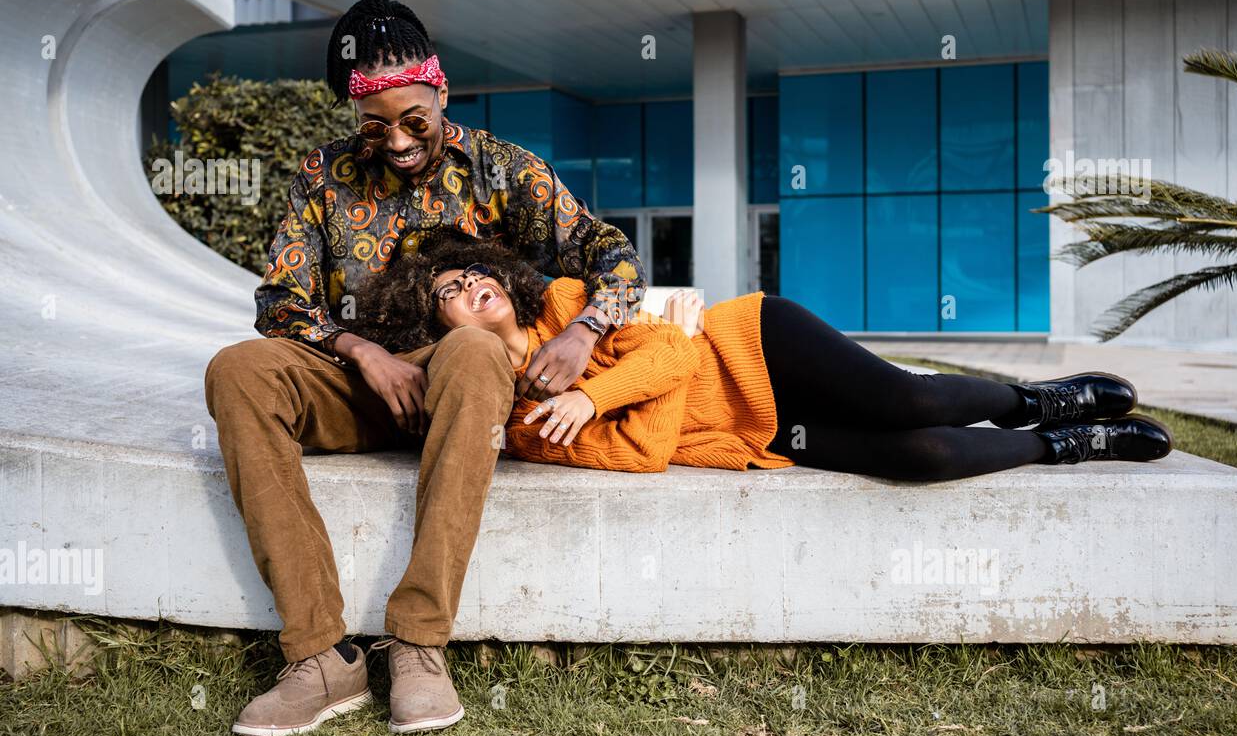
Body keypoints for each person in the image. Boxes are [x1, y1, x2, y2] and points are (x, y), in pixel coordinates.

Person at [203, 0, 648, 736]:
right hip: (360, 384)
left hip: (464, 388)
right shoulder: (322, 176)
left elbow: (615, 254)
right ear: (353, 114)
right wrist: (362, 350)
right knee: (236, 368)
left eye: (416, 121)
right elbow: (280, 299)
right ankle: (320, 657)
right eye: (376, 127)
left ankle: (417, 643)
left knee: (473, 347)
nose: (400, 143)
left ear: (442, 91)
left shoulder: (505, 169)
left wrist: (584, 333)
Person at [347, 238, 1174, 482]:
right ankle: (1067, 446)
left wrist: (599, 398)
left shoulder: (567, 304)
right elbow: (644, 454)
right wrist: (644, 394)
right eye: (451, 289)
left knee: (908, 404)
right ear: (438, 319)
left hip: (756, 342)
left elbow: (675, 345)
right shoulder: (525, 426)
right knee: (919, 459)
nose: (474, 286)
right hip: (754, 432)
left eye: (477, 272)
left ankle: (1038, 400)